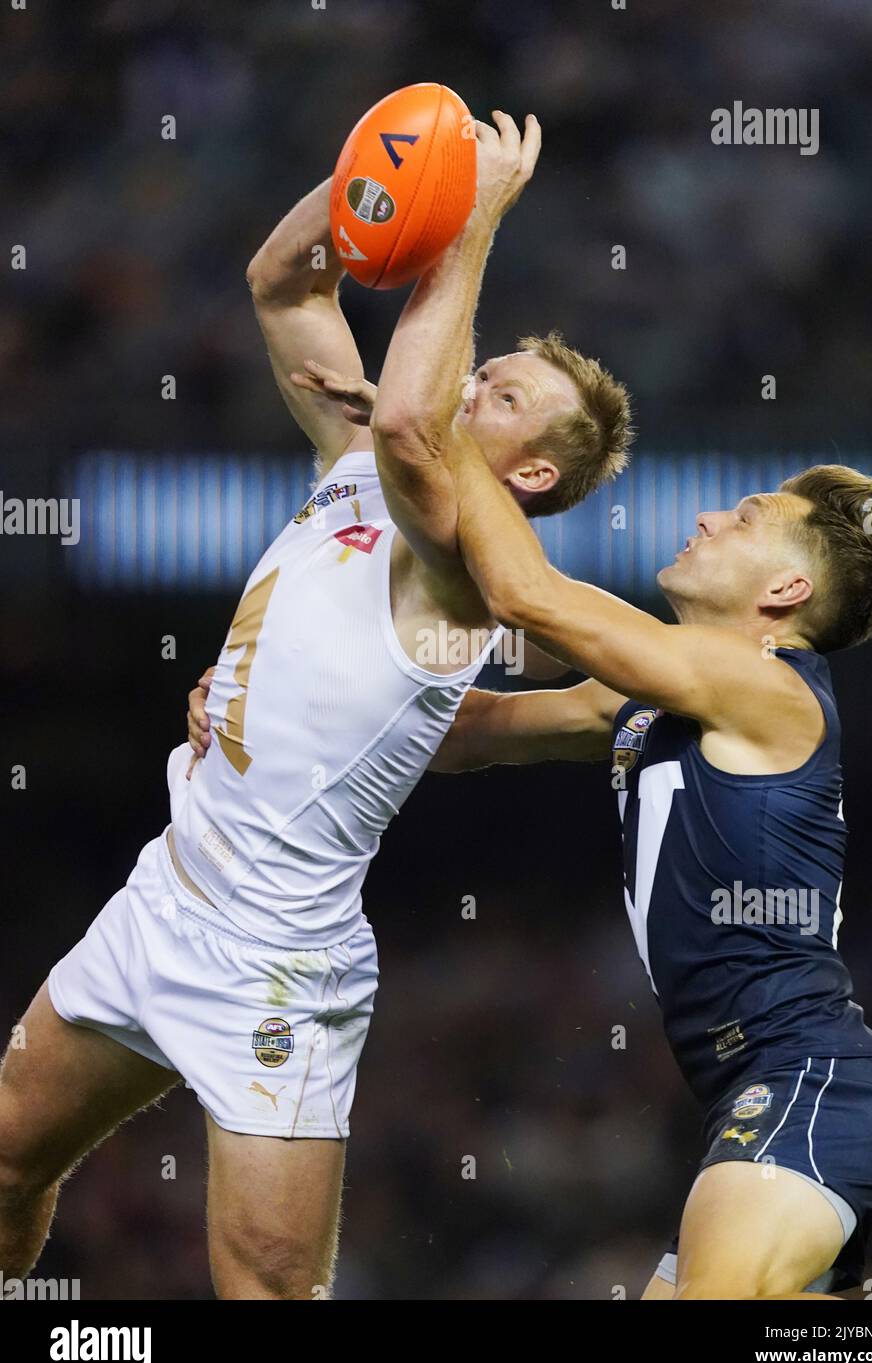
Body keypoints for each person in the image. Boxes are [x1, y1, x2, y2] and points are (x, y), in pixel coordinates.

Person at [0, 111, 632, 1300]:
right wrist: (381, 174)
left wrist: (472, 214)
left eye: (499, 396)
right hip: (164, 895)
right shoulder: (352, 467)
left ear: (531, 476)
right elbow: (283, 281)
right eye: (482, 369)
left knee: (267, 1293)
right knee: (5, 1167)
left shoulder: (456, 550)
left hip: (277, 966)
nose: (469, 384)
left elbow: (404, 418)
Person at [280, 180, 872, 1297]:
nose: (703, 517)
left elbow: (528, 592)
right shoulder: (652, 699)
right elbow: (463, 733)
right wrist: (269, 692)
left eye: (740, 521)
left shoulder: (767, 686)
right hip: (760, 1094)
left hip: (806, 1085)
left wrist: (429, 428)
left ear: (783, 590)